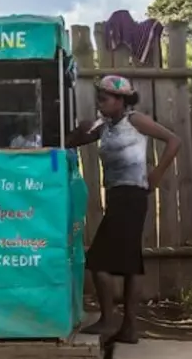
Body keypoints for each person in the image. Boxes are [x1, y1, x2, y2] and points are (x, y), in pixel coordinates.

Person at [67, 76, 182, 344]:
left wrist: (156, 174)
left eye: (104, 99)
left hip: (132, 194)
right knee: (130, 263)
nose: (100, 103)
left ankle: (108, 320)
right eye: (99, 98)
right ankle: (129, 328)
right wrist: (75, 131)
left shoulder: (135, 121)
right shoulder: (104, 126)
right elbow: (74, 140)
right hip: (118, 195)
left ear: (120, 101)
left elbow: (173, 140)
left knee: (97, 261)